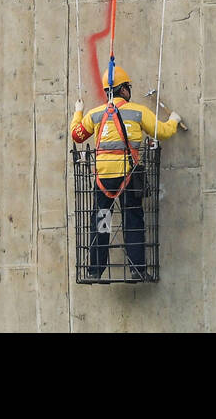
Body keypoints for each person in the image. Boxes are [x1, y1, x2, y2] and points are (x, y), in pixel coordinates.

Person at [68, 65, 181, 281]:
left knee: (102, 220)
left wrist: (78, 110)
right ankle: (137, 269)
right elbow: (163, 132)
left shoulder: (95, 114)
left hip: (103, 180)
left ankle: (95, 270)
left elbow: (77, 135)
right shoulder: (137, 112)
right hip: (129, 177)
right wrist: (174, 120)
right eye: (128, 87)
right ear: (124, 90)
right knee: (133, 220)